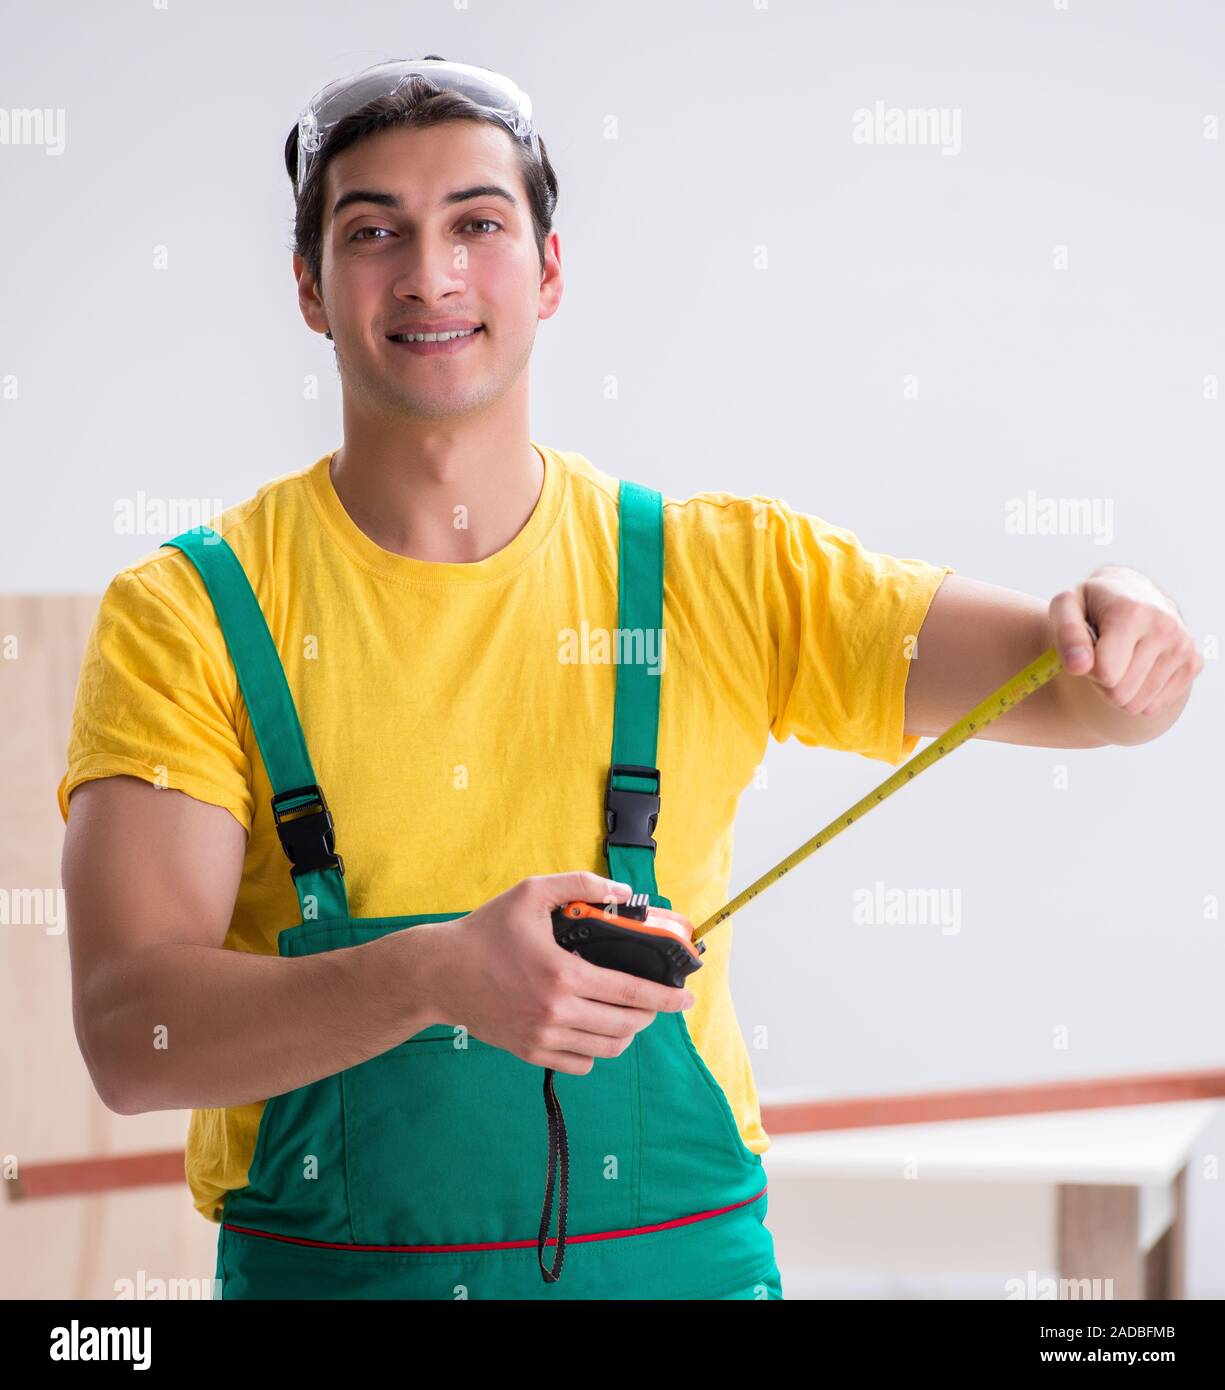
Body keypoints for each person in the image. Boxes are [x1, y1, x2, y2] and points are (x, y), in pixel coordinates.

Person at [57, 57, 1201, 1302]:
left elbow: (1074, 687)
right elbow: (133, 1037)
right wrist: (433, 973)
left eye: (478, 224)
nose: (430, 273)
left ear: (548, 272)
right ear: (309, 289)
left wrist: (1124, 614)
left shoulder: (715, 573)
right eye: (372, 229)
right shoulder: (192, 616)